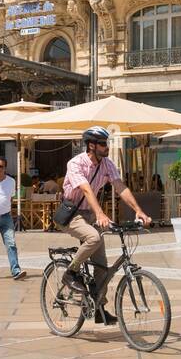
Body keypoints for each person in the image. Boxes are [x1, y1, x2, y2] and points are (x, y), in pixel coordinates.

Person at [60, 127, 151, 326]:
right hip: (72, 214)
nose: (106, 147)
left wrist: (139, 210)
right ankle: (70, 272)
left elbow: (120, 187)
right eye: (102, 144)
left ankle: (99, 308)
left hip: (91, 214)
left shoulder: (107, 164)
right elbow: (85, 189)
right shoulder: (76, 163)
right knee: (93, 238)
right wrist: (100, 214)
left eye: (107, 143)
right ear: (91, 146)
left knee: (101, 266)